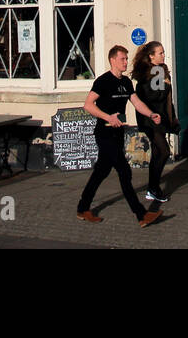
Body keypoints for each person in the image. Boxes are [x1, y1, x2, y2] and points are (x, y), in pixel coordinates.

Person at [76, 45, 164, 227]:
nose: (126, 62)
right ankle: (141, 214)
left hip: (118, 133)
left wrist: (150, 114)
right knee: (124, 171)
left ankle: (83, 208)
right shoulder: (103, 81)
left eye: (126, 59)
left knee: (101, 171)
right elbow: (88, 105)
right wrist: (108, 117)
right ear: (113, 60)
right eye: (122, 59)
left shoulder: (125, 82)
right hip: (104, 133)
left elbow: (136, 101)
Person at [131, 41, 177, 203]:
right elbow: (152, 96)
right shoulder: (148, 73)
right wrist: (165, 86)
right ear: (151, 56)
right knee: (163, 151)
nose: (163, 55)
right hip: (150, 119)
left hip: (161, 117)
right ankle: (153, 188)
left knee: (158, 152)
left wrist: (172, 117)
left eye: (163, 52)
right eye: (160, 53)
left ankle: (153, 189)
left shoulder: (160, 70)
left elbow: (167, 100)